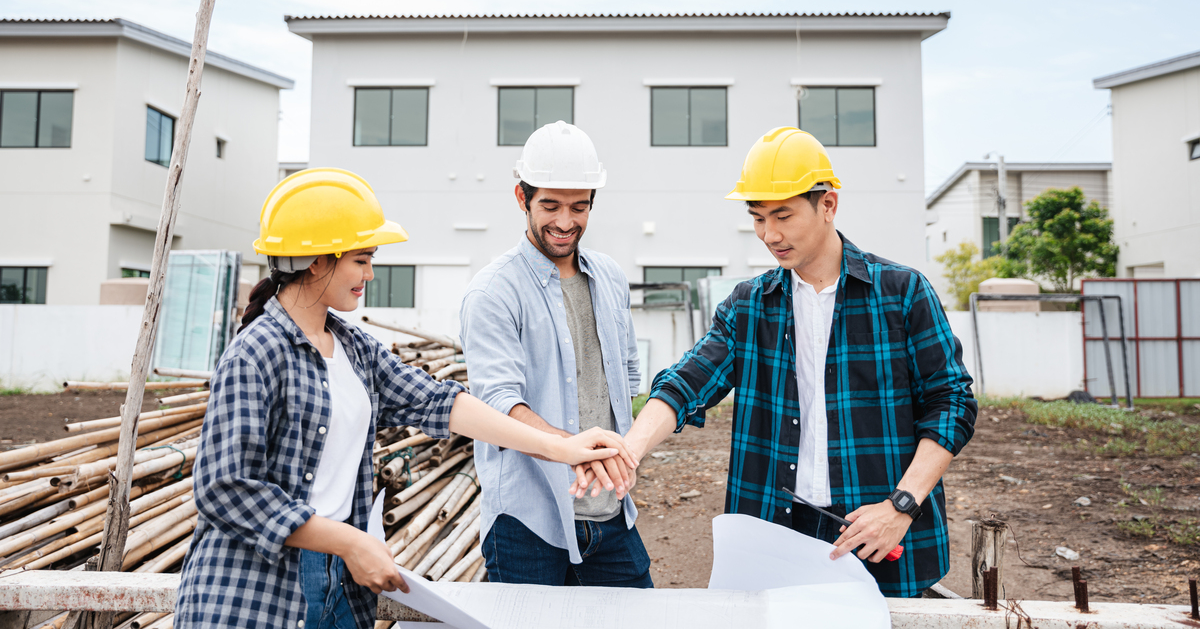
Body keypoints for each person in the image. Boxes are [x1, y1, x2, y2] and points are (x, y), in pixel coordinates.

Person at [176, 168, 635, 629]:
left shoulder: (353, 349)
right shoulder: (256, 353)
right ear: (316, 261)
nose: (370, 273)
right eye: (361, 259)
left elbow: (442, 402)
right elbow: (224, 488)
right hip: (255, 592)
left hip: (339, 582)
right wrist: (349, 542)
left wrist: (562, 448)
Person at [618, 127, 977, 598]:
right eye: (759, 217)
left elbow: (951, 401)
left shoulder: (902, 293)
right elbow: (687, 384)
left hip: (875, 526)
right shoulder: (750, 306)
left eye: (783, 215)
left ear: (827, 204)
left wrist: (902, 504)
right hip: (775, 525)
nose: (770, 234)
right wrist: (629, 452)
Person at [461, 121, 650, 588]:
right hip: (528, 522)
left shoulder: (609, 278)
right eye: (550, 205)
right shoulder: (493, 292)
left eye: (579, 207)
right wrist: (569, 450)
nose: (565, 222)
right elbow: (499, 404)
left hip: (610, 513)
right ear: (522, 198)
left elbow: (626, 377)